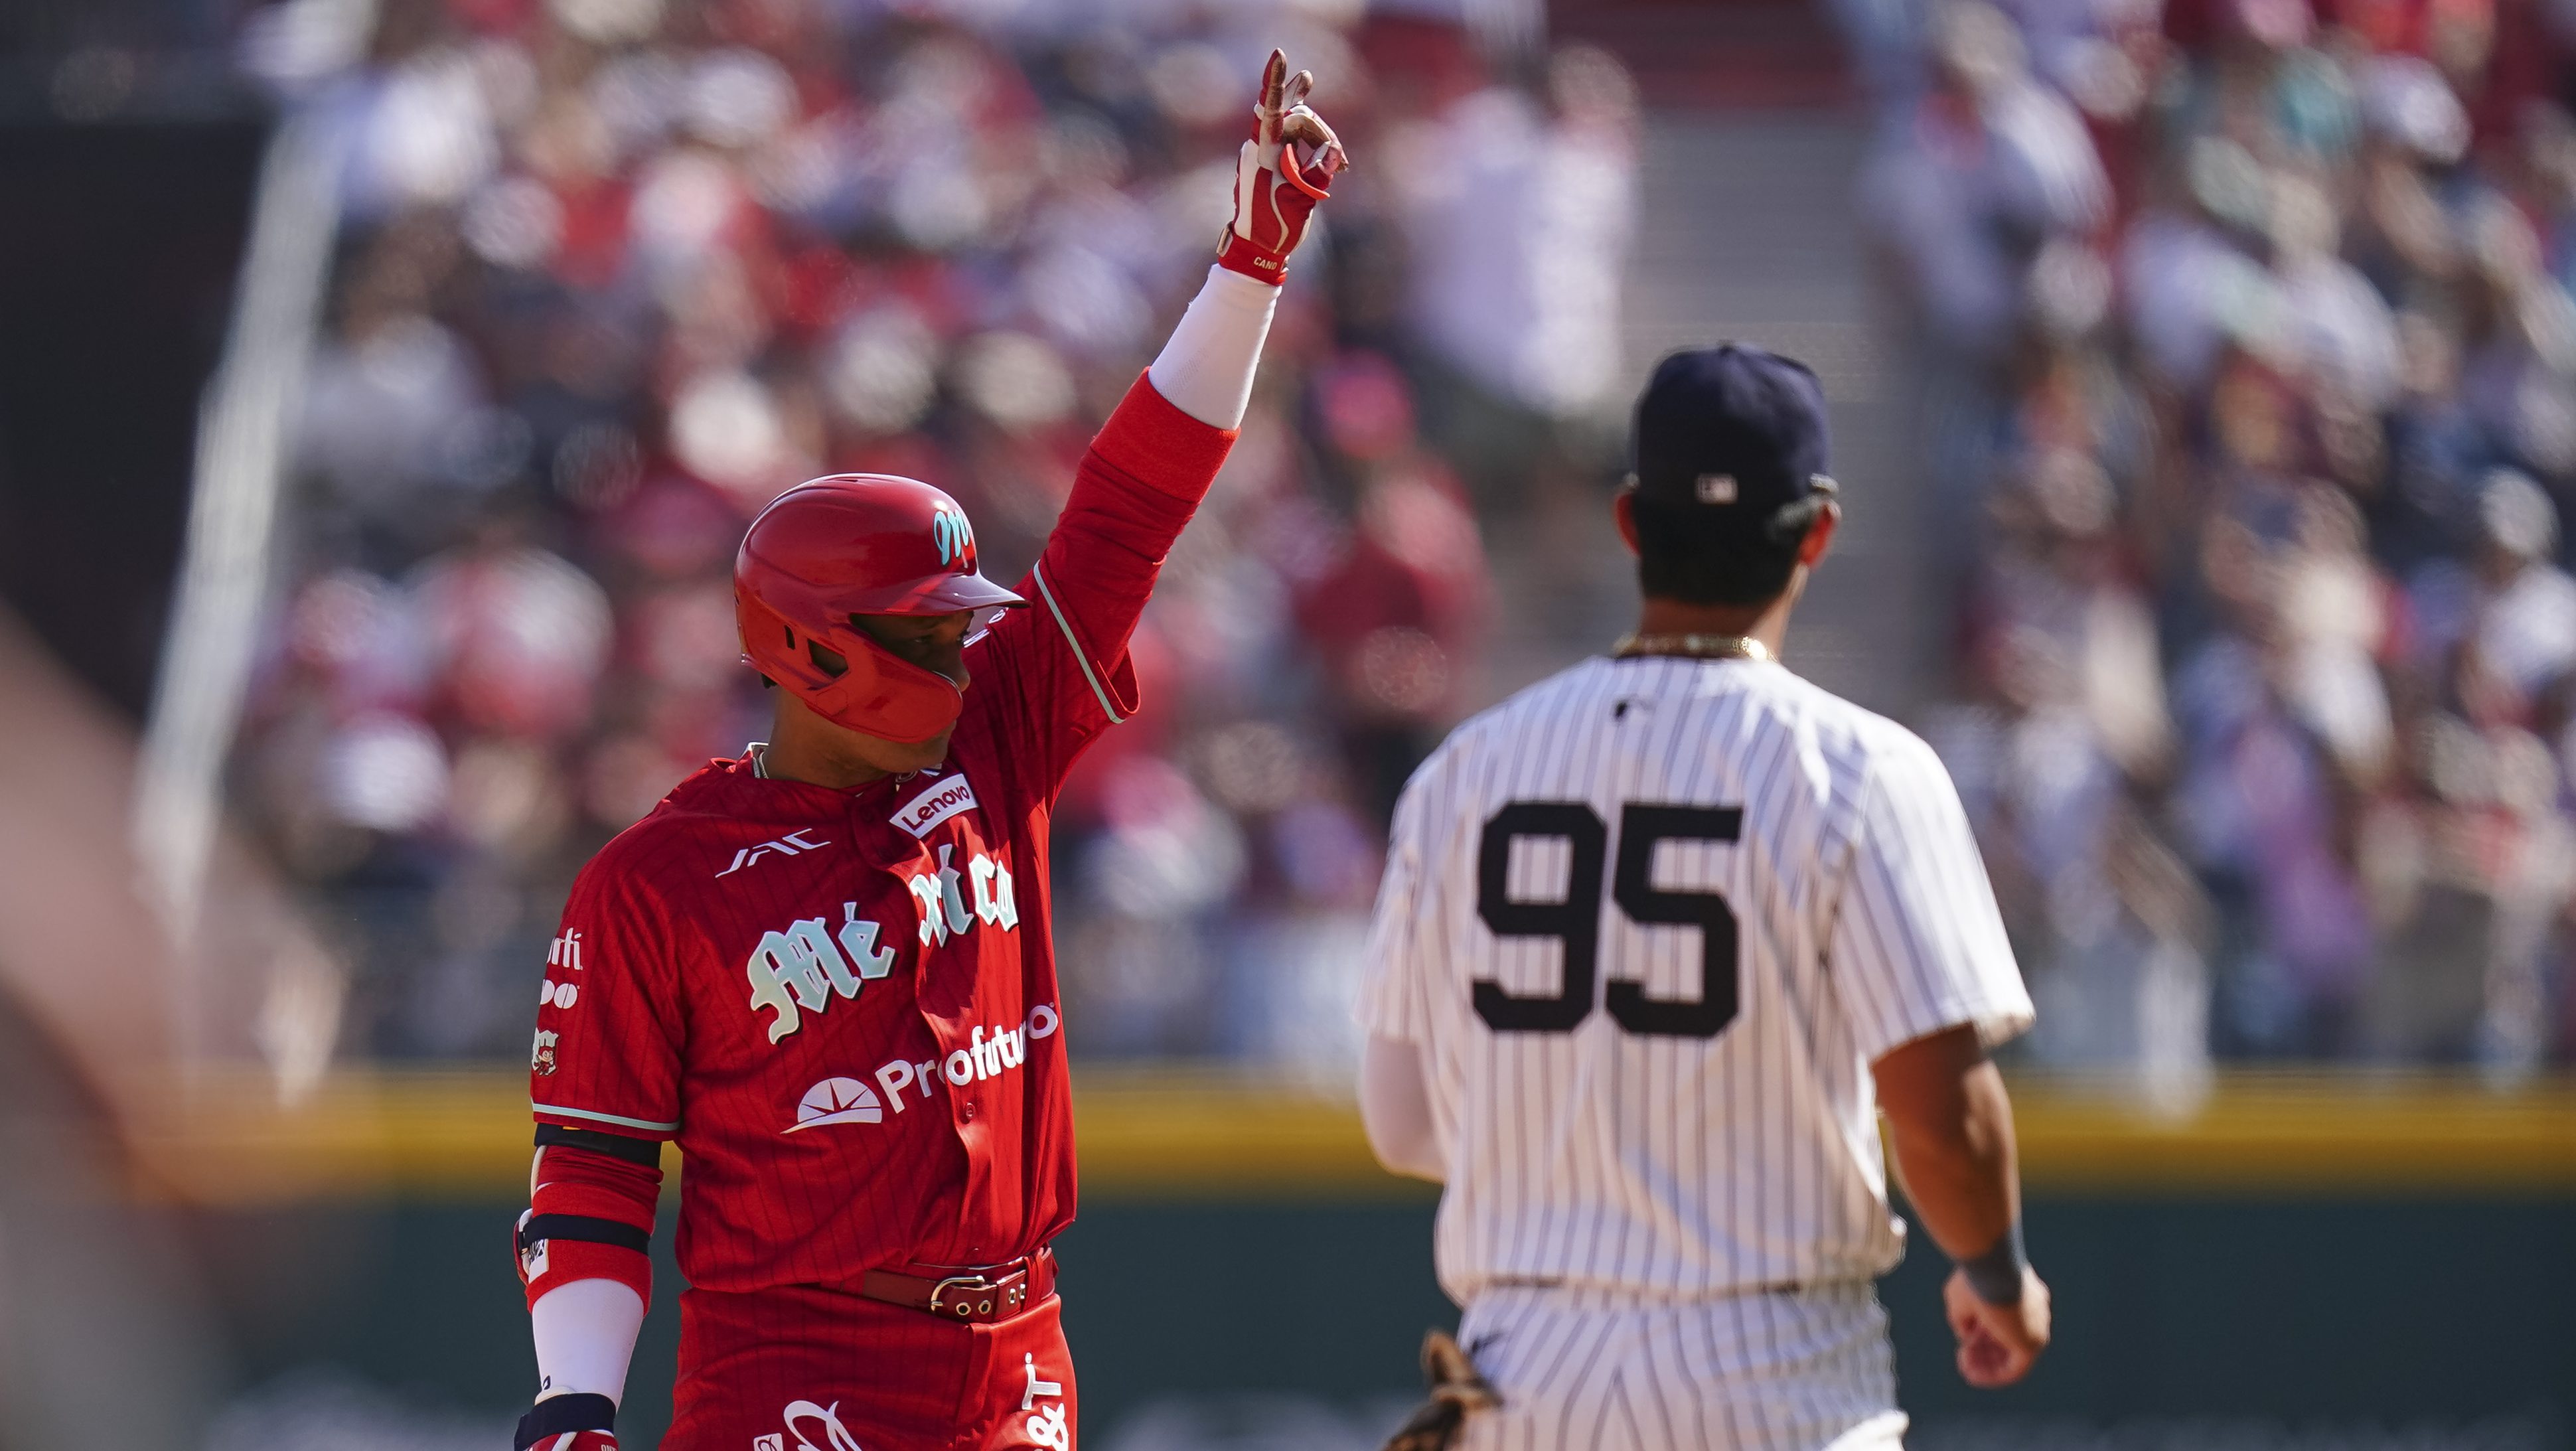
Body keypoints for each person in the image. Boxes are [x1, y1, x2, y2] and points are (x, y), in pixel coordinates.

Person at [506, 52, 1345, 1451]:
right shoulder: (657, 882)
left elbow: (1125, 516)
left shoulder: (1001, 735)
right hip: (790, 1360)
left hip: (1018, 1352)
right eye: (926, 635)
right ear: (810, 648)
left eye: (960, 629)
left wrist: (1248, 269)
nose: (965, 660)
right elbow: (592, 1161)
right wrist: (574, 1398)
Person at [1355, 345, 2050, 1450]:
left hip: (1528, 1372)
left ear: (1631, 523)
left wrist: (1587, 1155)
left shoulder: (1464, 771)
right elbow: (1939, 1114)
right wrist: (1995, 1273)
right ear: (1817, 531)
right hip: (1770, 1372)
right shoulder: (1863, 770)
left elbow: (1401, 1123)